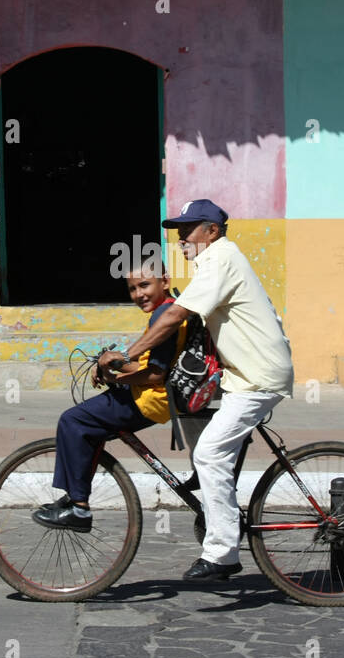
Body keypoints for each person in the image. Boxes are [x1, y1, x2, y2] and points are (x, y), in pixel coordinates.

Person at [106, 199, 294, 582]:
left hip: (258, 377)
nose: (181, 240)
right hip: (239, 376)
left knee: (209, 453)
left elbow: (176, 315)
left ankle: (222, 554)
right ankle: (211, 491)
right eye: (177, 233)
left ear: (212, 230)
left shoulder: (221, 259)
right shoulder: (215, 261)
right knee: (192, 409)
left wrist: (126, 354)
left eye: (187, 231)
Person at [32, 259, 186, 532]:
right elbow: (148, 364)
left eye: (145, 285)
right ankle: (75, 497)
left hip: (149, 400)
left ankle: (78, 506)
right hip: (153, 396)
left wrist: (117, 377)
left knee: (73, 421)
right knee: (90, 427)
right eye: (132, 289)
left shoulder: (164, 317)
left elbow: (155, 374)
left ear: (165, 280)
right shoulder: (169, 309)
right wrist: (113, 366)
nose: (139, 294)